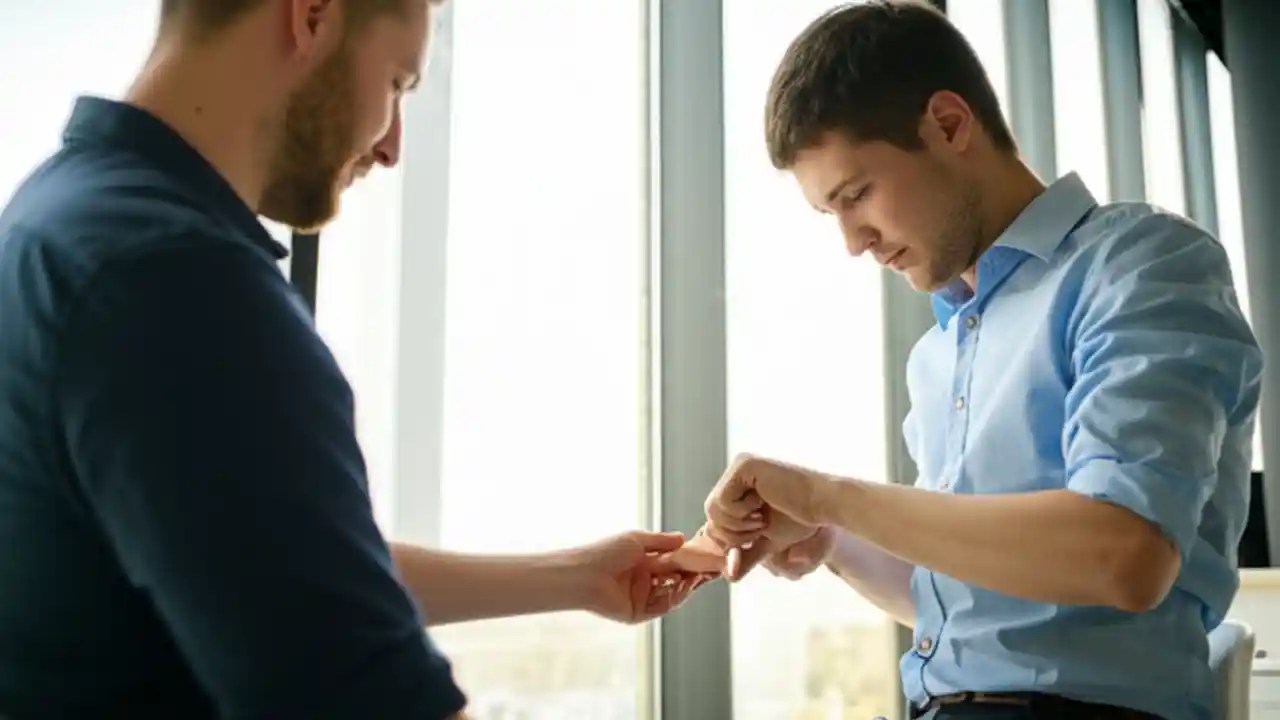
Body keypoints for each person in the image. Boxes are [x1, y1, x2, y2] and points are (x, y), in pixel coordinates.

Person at [0, 1, 710, 718]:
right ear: (311, 16)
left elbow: (268, 568)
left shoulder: (60, 221)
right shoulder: (175, 279)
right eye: (399, 83)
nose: (393, 144)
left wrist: (573, 577)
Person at [684, 2, 1264, 720]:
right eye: (830, 213)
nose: (853, 243)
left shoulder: (1141, 264)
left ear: (950, 124)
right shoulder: (938, 354)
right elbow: (974, 603)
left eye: (856, 194)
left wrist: (829, 495)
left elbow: (1124, 555)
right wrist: (828, 538)